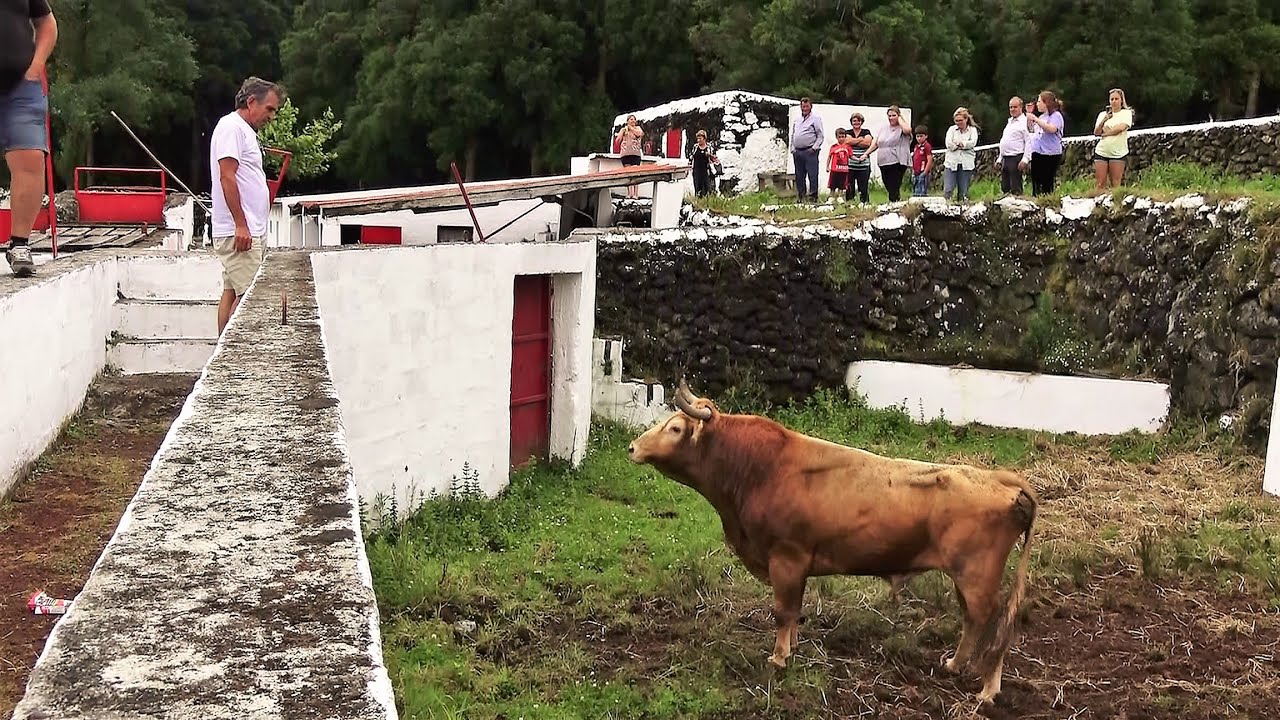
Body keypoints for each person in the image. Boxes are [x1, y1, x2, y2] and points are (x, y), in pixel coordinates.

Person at [211, 76, 283, 335]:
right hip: (239, 231)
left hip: (248, 229)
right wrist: (241, 224)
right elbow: (227, 176)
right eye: (269, 109)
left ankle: (223, 351)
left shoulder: (243, 130)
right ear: (251, 102)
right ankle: (233, 353)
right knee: (249, 300)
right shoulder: (232, 128)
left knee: (231, 291)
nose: (272, 116)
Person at [0, 0, 56, 278]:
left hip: (21, 85)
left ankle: (20, 244)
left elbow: (47, 23)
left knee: (30, 157)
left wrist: (36, 66)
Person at [1093, 88, 1134, 190]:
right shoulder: (1103, 115)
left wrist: (1106, 133)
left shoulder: (1126, 113)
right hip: (1102, 151)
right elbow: (1097, 132)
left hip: (1118, 153)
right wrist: (1104, 120)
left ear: (1121, 100)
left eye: (1116, 99)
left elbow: (1120, 128)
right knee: (1100, 183)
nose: (1114, 101)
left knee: (1115, 183)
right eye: (1112, 99)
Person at [1027, 90, 1065, 196]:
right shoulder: (1042, 117)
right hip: (1038, 151)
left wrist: (1036, 119)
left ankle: (1047, 198)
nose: (1037, 104)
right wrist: (1030, 117)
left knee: (1047, 180)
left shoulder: (1056, 116)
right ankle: (1036, 196)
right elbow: (1032, 131)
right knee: (1036, 179)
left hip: (1050, 153)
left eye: (1039, 102)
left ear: (1046, 103)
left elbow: (1052, 129)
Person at [875, 105, 912, 202]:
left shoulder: (902, 127)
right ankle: (895, 201)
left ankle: (895, 203)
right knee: (887, 184)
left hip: (897, 160)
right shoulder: (883, 128)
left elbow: (907, 130)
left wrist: (899, 119)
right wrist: (866, 153)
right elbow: (876, 143)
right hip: (883, 161)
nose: (891, 118)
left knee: (894, 185)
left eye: (893, 115)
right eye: (889, 116)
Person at [995, 96, 1032, 195]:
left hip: (1016, 157)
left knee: (1015, 187)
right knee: (1005, 187)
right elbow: (1004, 141)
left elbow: (1029, 142)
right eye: (1011, 107)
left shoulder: (1025, 122)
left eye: (1015, 107)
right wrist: (999, 159)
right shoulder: (1009, 122)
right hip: (1005, 158)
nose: (1012, 109)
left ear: (1021, 107)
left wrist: (1025, 159)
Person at [790, 97, 824, 203]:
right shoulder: (797, 120)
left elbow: (820, 135)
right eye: (803, 106)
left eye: (806, 106)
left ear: (811, 106)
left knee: (812, 175)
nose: (805, 108)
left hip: (810, 151)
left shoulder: (816, 119)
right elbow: (793, 135)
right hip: (798, 151)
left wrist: (814, 148)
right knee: (799, 176)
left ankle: (813, 197)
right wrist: (792, 149)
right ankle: (801, 197)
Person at [943, 107, 979, 202]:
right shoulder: (951, 130)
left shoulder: (972, 130)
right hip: (951, 163)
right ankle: (946, 206)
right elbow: (949, 144)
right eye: (956, 121)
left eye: (960, 120)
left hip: (966, 164)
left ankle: (962, 207)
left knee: (963, 192)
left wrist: (962, 144)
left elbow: (972, 143)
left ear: (966, 119)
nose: (958, 123)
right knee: (948, 189)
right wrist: (959, 145)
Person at [844, 112, 876, 205]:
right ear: (851, 122)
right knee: (849, 187)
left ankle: (864, 204)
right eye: (854, 121)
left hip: (864, 165)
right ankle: (850, 204)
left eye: (858, 120)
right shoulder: (848, 132)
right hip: (850, 165)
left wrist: (853, 141)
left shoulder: (866, 132)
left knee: (863, 187)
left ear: (862, 122)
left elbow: (867, 143)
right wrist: (860, 139)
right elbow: (847, 141)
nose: (856, 122)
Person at [615, 115, 644, 199]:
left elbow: (640, 134)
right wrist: (622, 132)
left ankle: (635, 194)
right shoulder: (624, 129)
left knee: (635, 173)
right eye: (631, 119)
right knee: (628, 174)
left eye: (634, 119)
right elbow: (617, 141)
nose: (633, 121)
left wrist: (631, 128)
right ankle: (629, 193)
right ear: (627, 121)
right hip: (625, 154)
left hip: (635, 154)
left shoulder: (638, 128)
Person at [826, 127, 851, 203]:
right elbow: (829, 157)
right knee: (832, 184)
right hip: (835, 169)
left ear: (845, 137)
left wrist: (858, 159)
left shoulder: (847, 147)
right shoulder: (834, 147)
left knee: (842, 184)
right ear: (836, 137)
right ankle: (831, 197)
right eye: (839, 137)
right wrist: (827, 166)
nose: (841, 139)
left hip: (844, 169)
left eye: (843, 137)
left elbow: (851, 156)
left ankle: (840, 197)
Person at [689, 129, 717, 197]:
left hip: (706, 170)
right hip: (696, 170)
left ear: (704, 139)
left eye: (700, 138)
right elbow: (691, 157)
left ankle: (707, 200)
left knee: (707, 188)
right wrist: (689, 167)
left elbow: (715, 158)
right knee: (697, 187)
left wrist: (709, 155)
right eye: (697, 139)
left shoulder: (709, 147)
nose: (698, 140)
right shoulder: (695, 147)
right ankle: (698, 199)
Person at [910, 125, 933, 196]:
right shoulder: (916, 147)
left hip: (923, 172)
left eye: (921, 136)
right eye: (917, 136)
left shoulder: (927, 146)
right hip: (916, 172)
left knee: (922, 191)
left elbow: (929, 160)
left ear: (926, 136)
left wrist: (925, 172)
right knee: (915, 190)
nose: (919, 138)